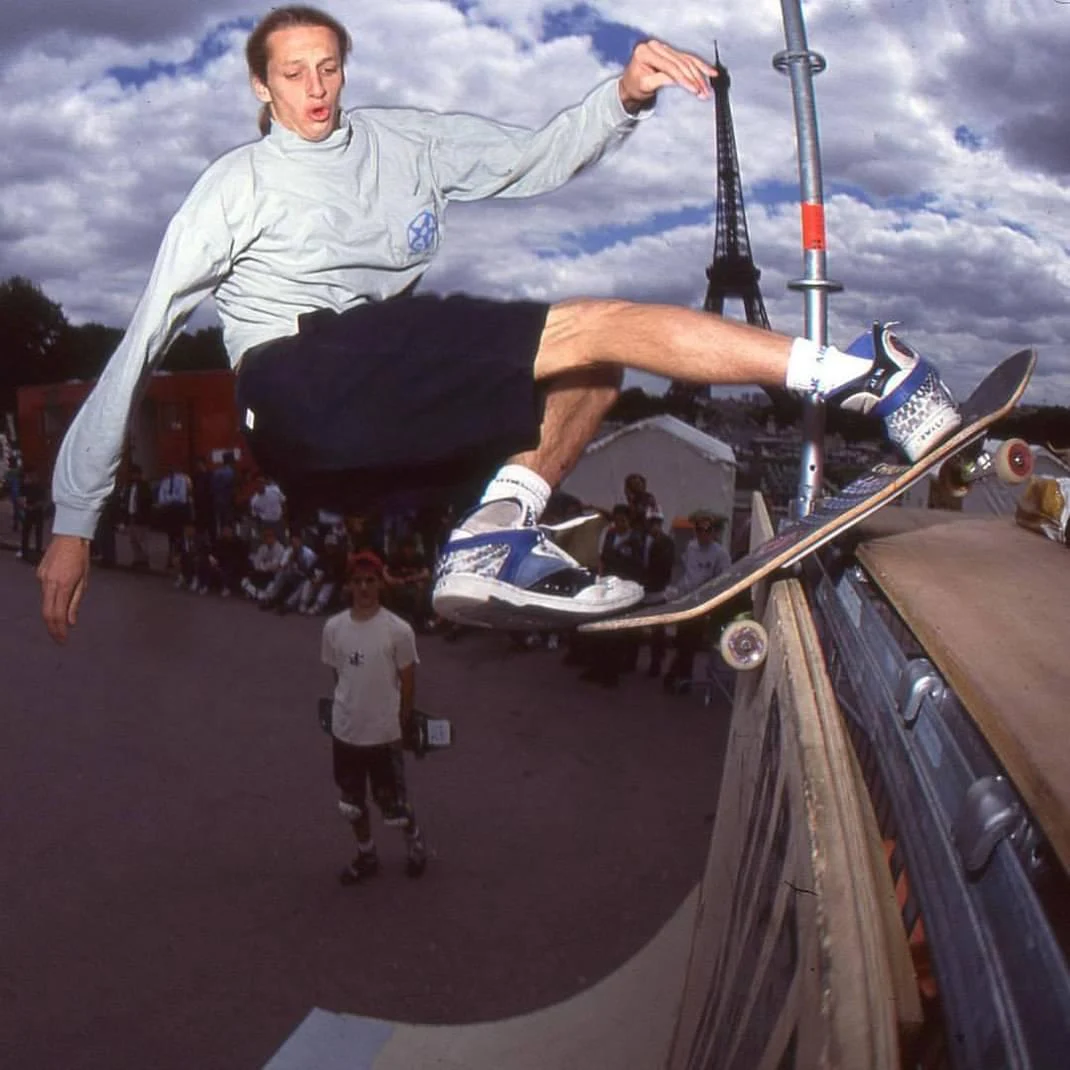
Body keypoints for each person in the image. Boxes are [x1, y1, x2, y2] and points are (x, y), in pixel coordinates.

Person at [37, 5, 961, 644]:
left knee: (590, 380)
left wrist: (624, 94)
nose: (314, 90)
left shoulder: (409, 143)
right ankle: (864, 380)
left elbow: (531, 159)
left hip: (362, 433)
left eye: (328, 69)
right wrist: (77, 516)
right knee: (597, 325)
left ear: (344, 71)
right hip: (292, 385)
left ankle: (494, 534)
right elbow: (148, 332)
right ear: (261, 88)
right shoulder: (233, 185)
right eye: (292, 75)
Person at [321, 551, 428, 884]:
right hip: (346, 734)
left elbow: (408, 682)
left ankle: (415, 844)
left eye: (370, 580)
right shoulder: (333, 628)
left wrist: (404, 724)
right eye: (358, 581)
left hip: (384, 736)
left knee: (394, 808)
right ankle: (366, 854)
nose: (364, 587)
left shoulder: (399, 630)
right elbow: (339, 678)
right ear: (349, 585)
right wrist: (345, 713)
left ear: (381, 584)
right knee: (351, 805)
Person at [664, 512, 732, 694]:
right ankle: (679, 675)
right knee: (682, 640)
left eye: (706, 530)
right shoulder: (691, 547)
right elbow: (686, 572)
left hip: (704, 603)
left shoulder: (720, 553)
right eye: (699, 530)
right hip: (687, 599)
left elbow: (724, 579)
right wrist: (676, 590)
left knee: (690, 641)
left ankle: (680, 677)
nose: (702, 534)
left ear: (712, 532)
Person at [118, 463, 153, 569]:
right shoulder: (129, 487)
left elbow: (147, 502)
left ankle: (144, 560)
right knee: (133, 539)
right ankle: (137, 559)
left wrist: (144, 514)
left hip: (141, 517)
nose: (133, 477)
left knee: (142, 539)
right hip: (131, 515)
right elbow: (126, 500)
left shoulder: (144, 486)